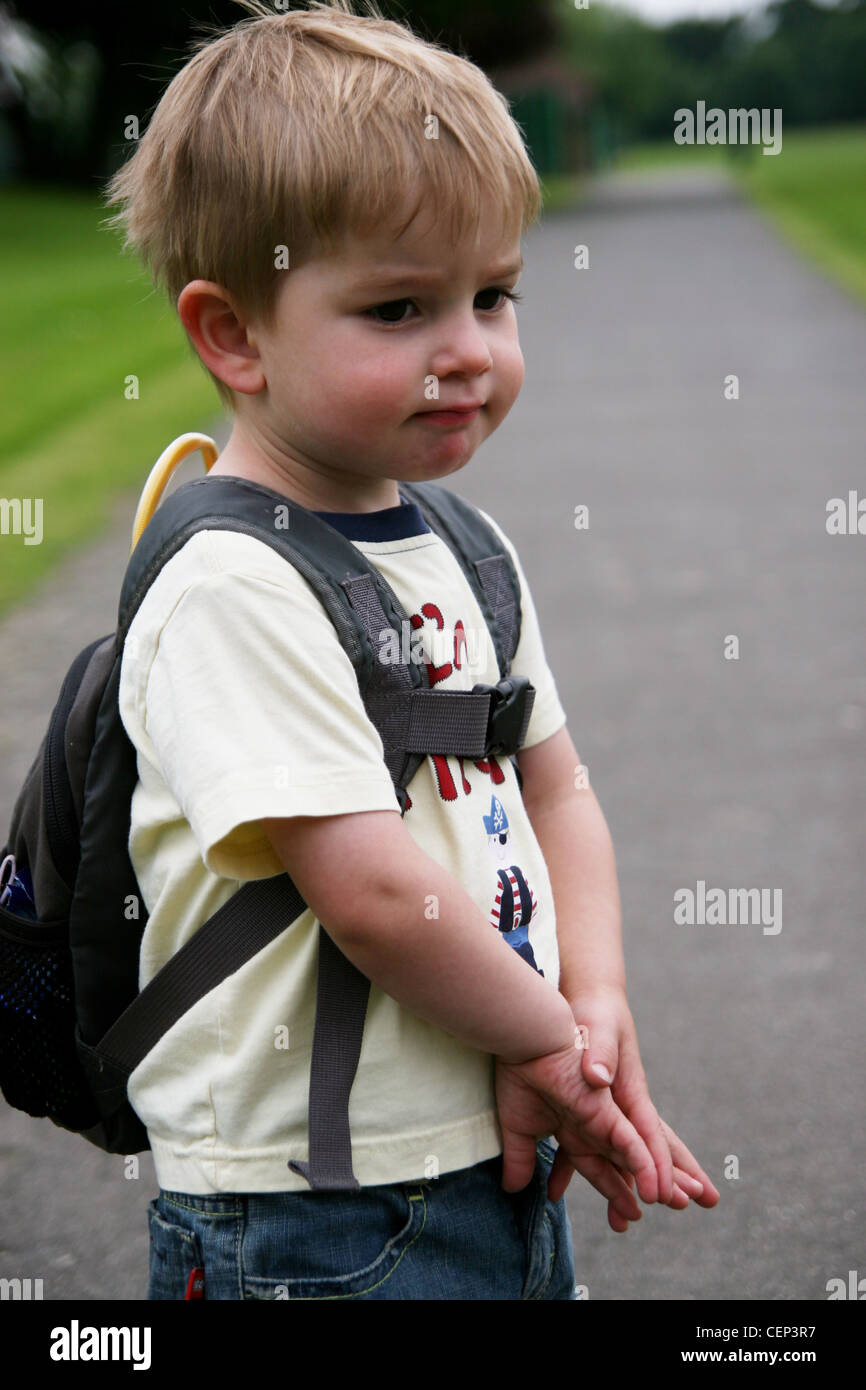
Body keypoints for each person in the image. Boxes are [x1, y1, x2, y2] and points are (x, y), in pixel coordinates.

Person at [102, 0, 719, 1301]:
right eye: (397, 309)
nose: (466, 352)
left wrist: (590, 1005)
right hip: (312, 1209)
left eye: (491, 295)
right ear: (231, 334)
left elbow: (556, 786)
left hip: (491, 1122)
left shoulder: (461, 544)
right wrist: (554, 1041)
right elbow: (375, 896)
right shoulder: (232, 582)